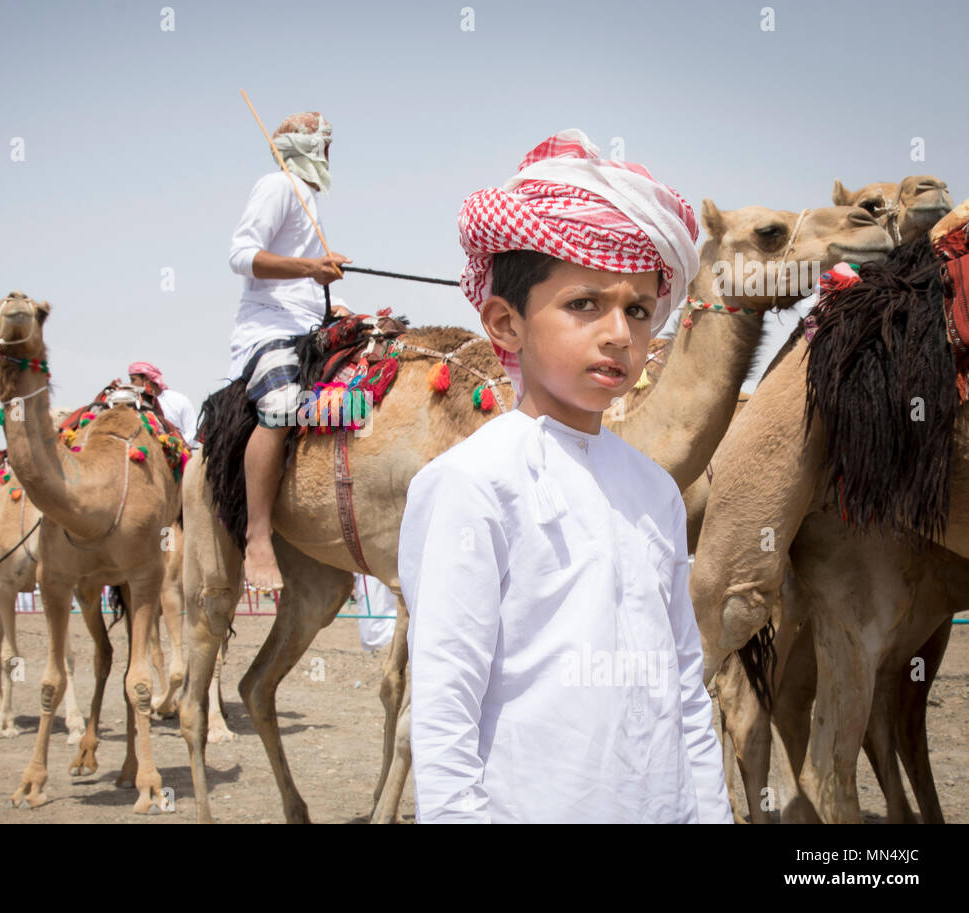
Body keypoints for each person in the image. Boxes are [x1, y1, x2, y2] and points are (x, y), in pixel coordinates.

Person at [400, 129, 732, 824]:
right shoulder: (470, 483)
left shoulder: (654, 490)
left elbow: (684, 688)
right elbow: (444, 711)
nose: (618, 333)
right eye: (585, 304)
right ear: (506, 322)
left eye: (638, 310)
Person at [228, 110, 352, 593]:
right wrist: (310, 267)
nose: (330, 153)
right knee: (281, 408)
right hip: (269, 327)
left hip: (308, 322)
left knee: (364, 394)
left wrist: (338, 302)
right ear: (311, 148)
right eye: (326, 143)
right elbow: (241, 255)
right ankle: (257, 535)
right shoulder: (277, 185)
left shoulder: (308, 198)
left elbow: (309, 281)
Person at [127, 360, 199, 445]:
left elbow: (192, 431)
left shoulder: (179, 400)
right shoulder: (134, 404)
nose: (130, 384)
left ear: (146, 379)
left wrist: (179, 448)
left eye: (133, 380)